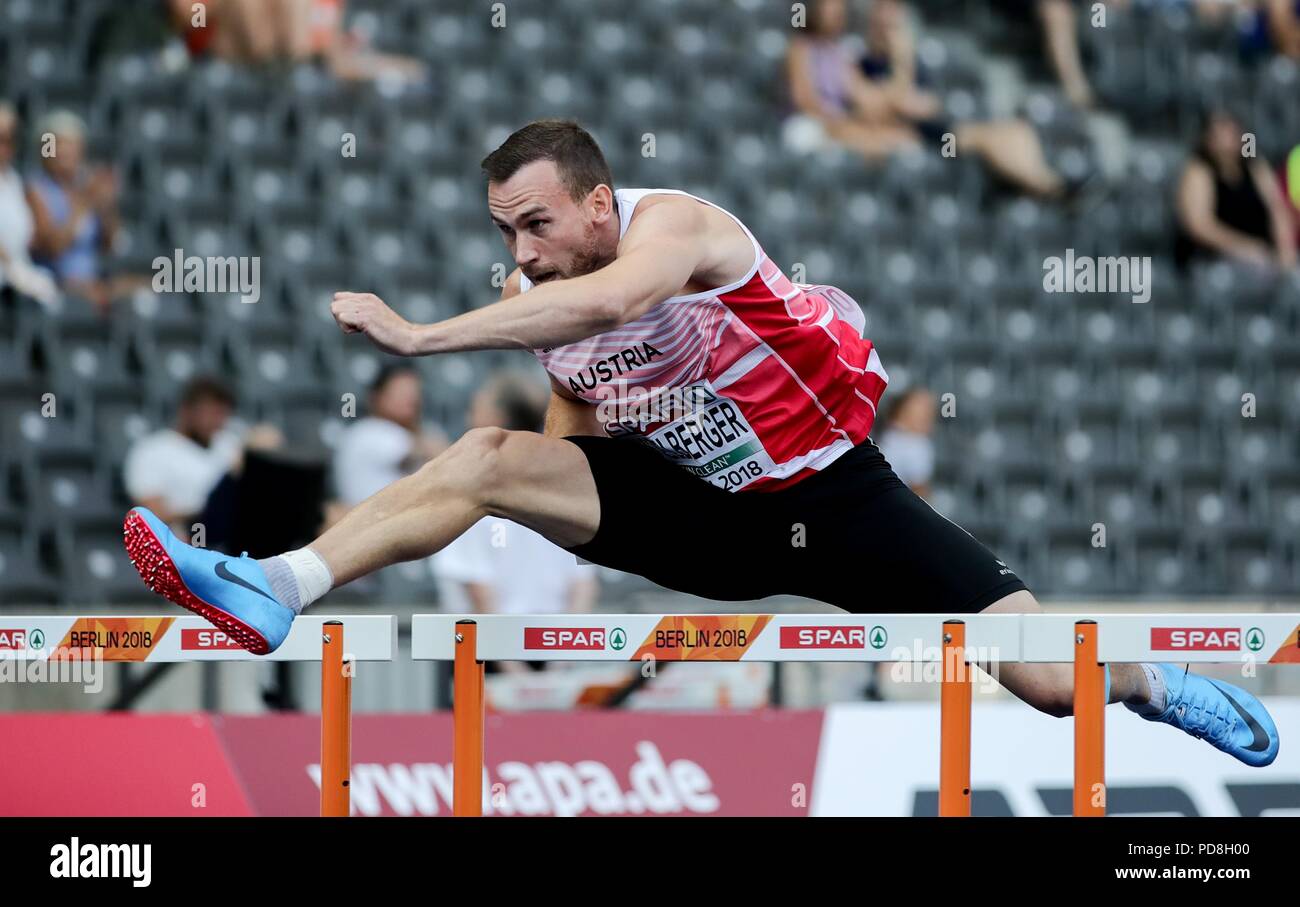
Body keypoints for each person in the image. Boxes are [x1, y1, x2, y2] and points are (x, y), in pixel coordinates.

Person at [123, 118, 1279, 768]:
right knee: (485, 456)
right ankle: (280, 583)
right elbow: (576, 438)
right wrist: (549, 539)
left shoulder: (673, 225)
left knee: (1039, 677)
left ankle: (1151, 681)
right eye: (503, 233)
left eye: (535, 224)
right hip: (702, 516)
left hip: (836, 500)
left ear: (594, 202)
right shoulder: (550, 300)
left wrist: (422, 335)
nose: (521, 253)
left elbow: (607, 306)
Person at [786, 0, 1071, 200]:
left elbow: (885, 101)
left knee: (1014, 131)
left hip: (901, 125)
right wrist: (901, 62)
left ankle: (1049, 183)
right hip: (835, 125)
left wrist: (893, 86)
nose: (837, 14)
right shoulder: (806, 49)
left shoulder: (842, 54)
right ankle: (1051, 186)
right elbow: (809, 100)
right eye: (830, 6)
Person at [434, 371, 599, 674]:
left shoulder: (470, 492)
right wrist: (553, 662)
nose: (469, 416)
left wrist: (537, 668)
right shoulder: (562, 486)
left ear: (495, 416)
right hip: (502, 649)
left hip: (510, 650)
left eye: (476, 408)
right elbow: (583, 580)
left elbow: (583, 579)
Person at [26, 110, 133, 312]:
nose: (66, 152)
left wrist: (106, 207)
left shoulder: (87, 183)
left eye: (72, 145)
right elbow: (53, 247)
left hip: (90, 282)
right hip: (56, 286)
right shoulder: (36, 189)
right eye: (59, 144)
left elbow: (110, 244)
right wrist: (83, 203)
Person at [1175, 108, 1297, 270]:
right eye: (1221, 131)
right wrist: (1243, 247)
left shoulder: (1254, 164)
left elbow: (1277, 207)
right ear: (1208, 137)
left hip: (1261, 257)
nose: (1228, 138)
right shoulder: (1198, 170)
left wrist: (1285, 248)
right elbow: (1199, 225)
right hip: (1213, 261)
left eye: (1232, 131)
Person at [332, 364, 447, 507]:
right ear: (376, 397)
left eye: (415, 391)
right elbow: (417, 455)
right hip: (371, 520)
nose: (412, 399)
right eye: (401, 392)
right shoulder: (369, 429)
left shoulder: (407, 431)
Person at [0, 103, 60, 308]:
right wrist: (13, 267)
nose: (5, 147)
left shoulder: (15, 182)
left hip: (16, 282)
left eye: (10, 139)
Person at [876, 386, 936, 500]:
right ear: (903, 410)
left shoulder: (886, 435)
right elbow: (920, 495)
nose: (928, 415)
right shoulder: (917, 444)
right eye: (924, 410)